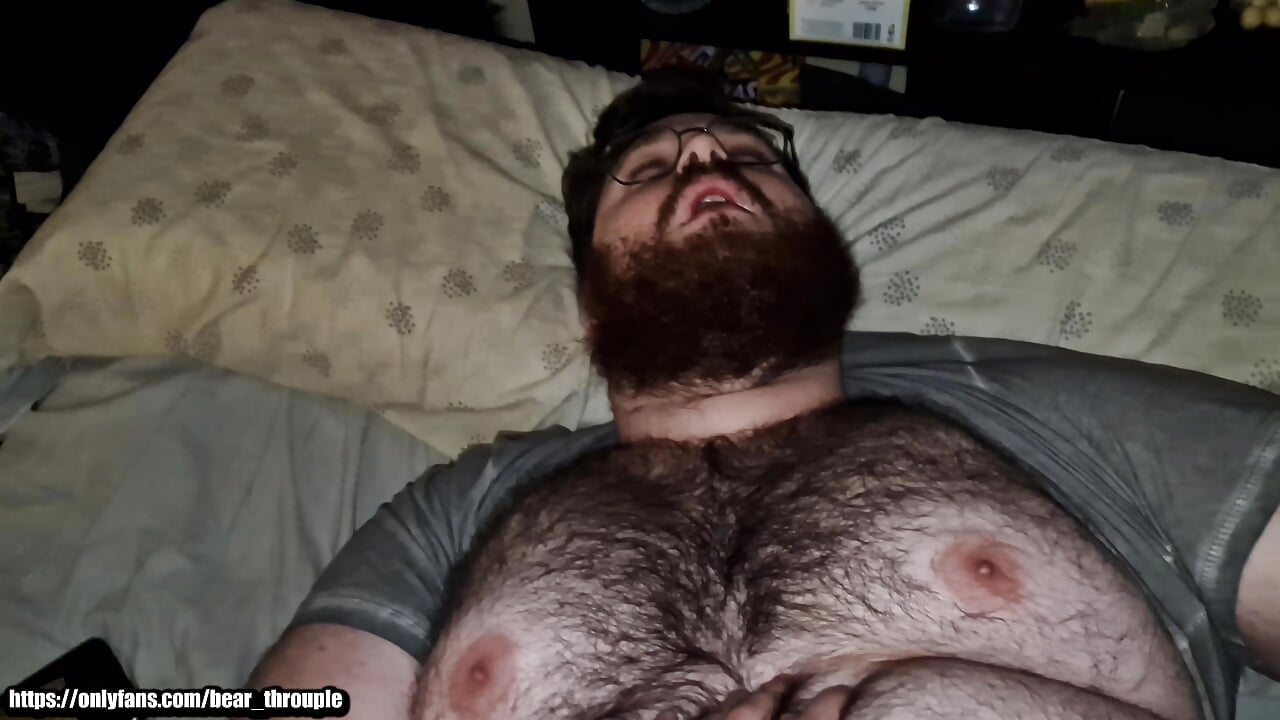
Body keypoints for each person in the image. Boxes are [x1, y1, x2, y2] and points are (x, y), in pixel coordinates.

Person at [246, 68, 1280, 720]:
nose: (706, 155)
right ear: (588, 295)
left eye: (749, 156)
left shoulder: (1045, 412)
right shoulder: (461, 511)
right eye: (647, 170)